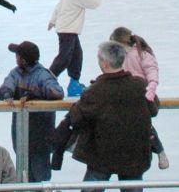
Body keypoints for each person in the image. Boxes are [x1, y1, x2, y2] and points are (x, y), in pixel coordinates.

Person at [48, 40, 157, 185]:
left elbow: (77, 118)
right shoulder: (140, 85)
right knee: (133, 186)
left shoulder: (95, 91)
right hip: (134, 153)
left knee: (92, 187)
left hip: (102, 155)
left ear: (105, 64)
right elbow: (153, 110)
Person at [0, 40, 64, 182]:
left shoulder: (42, 75)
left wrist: (35, 95)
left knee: (40, 175)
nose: (16, 58)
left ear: (23, 60)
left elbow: (57, 92)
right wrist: (6, 93)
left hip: (41, 137)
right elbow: (5, 87)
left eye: (17, 56)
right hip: (21, 134)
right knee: (23, 173)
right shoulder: (16, 73)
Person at [47, 0, 110, 96]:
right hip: (67, 29)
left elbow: (59, 6)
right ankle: (46, 81)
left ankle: (74, 84)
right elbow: (93, 4)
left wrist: (53, 20)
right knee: (64, 58)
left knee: (76, 55)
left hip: (68, 29)